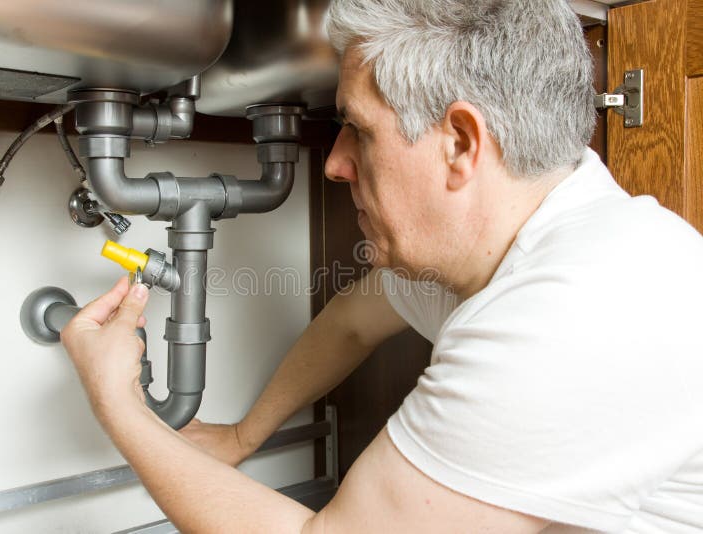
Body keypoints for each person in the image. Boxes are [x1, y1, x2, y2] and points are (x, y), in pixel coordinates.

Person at [61, 0, 703, 531]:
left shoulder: (576, 311)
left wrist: (117, 402)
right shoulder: (530, 240)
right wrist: (241, 437)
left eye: (359, 130)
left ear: (461, 143)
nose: (335, 163)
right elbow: (354, 319)